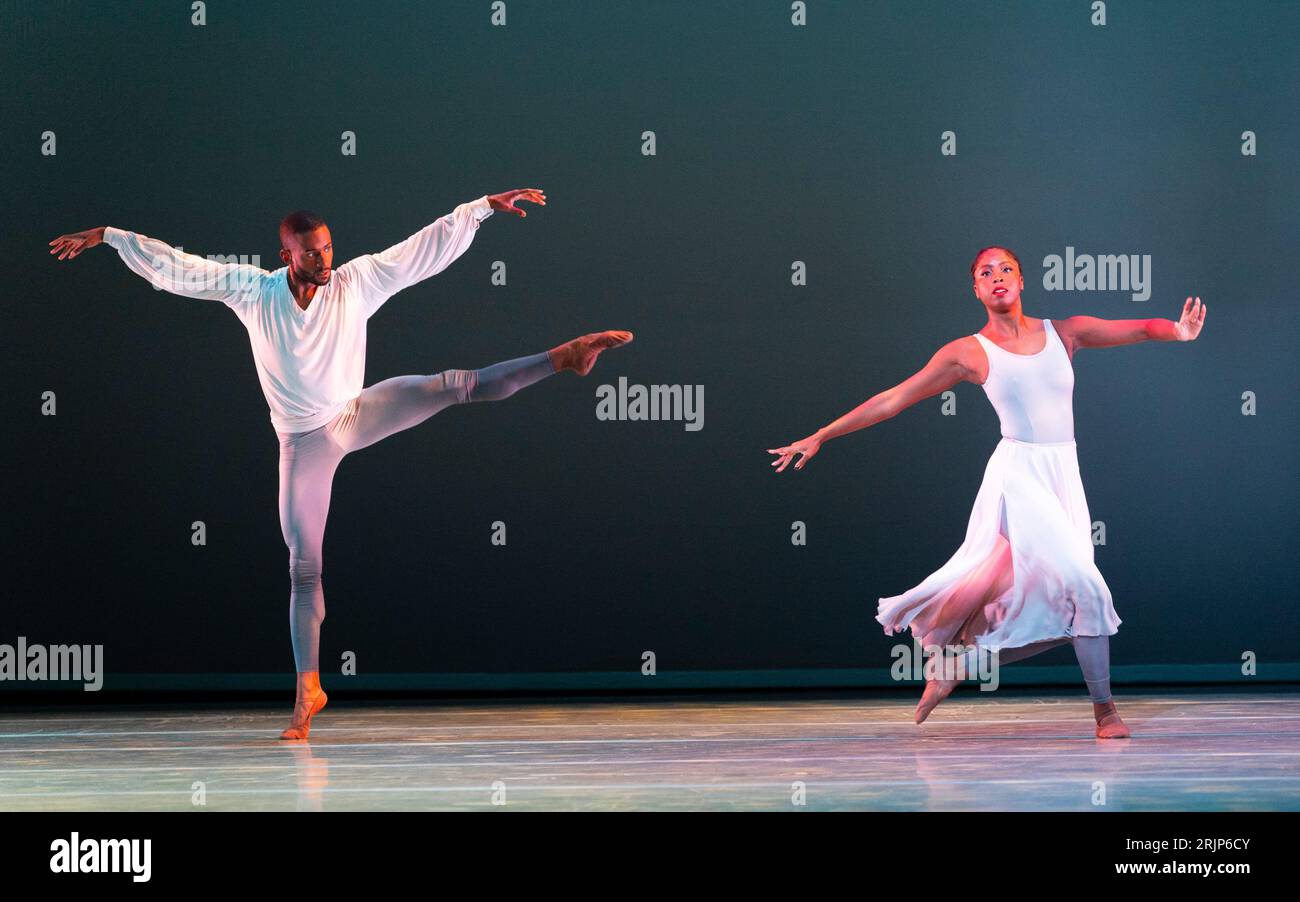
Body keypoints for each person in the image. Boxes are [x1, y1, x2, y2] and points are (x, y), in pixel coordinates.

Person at [50, 188, 633, 740]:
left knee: (456, 385)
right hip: (303, 444)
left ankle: (565, 356)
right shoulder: (254, 290)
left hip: (354, 414)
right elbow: (181, 268)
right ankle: (309, 693)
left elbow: (419, 252)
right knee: (304, 569)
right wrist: (110, 235)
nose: (324, 258)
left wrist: (480, 208)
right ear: (287, 256)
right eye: (311, 252)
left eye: (328, 247)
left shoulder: (354, 282)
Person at [767, 246, 1206, 738]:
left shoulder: (1066, 332)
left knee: (1074, 605)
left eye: (1006, 270)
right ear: (975, 289)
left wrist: (1178, 330)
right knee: (1087, 586)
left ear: (1021, 282)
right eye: (985, 273)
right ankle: (1106, 712)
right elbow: (893, 399)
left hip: (1063, 474)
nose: (997, 277)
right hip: (1018, 478)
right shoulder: (969, 352)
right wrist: (821, 435)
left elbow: (1143, 328)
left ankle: (962, 666)